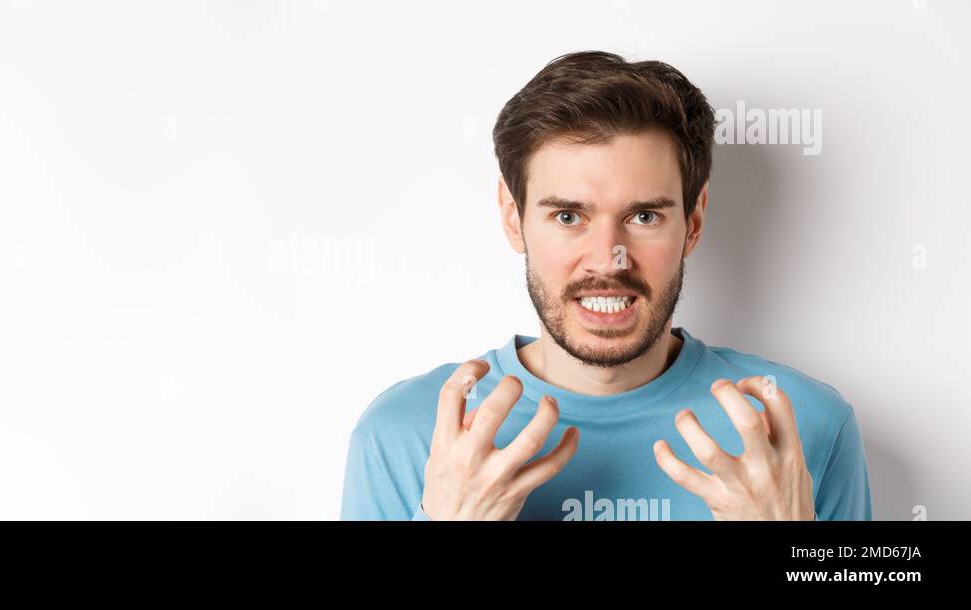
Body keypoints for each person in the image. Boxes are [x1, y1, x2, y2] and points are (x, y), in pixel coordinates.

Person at [340, 51, 872, 521]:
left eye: (643, 216)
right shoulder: (406, 434)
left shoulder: (801, 426)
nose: (608, 259)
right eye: (569, 216)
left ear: (693, 220)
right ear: (513, 217)